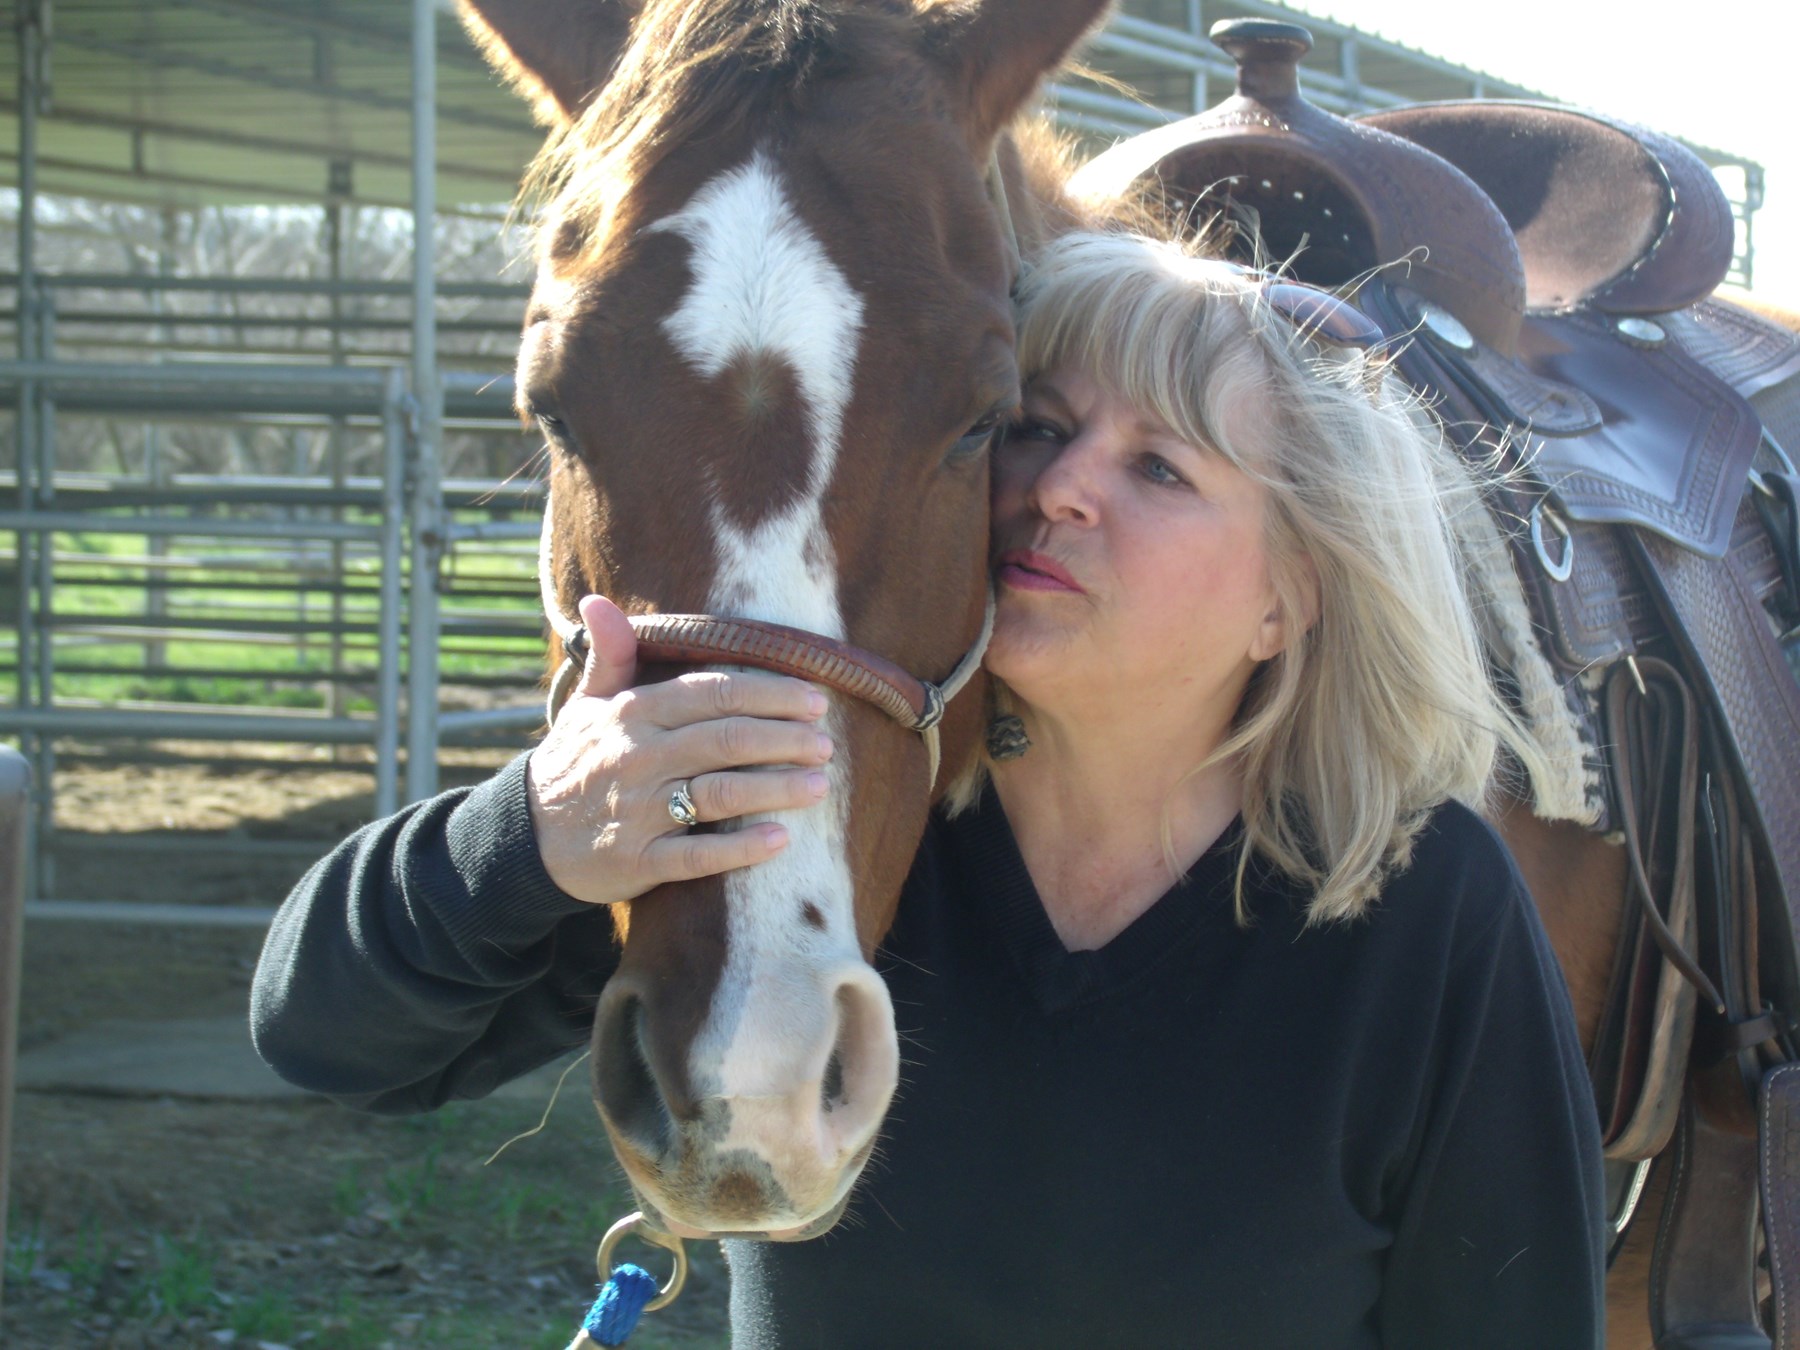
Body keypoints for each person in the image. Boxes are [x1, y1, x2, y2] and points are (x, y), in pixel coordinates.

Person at [252, 231, 1606, 1347]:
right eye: (1039, 427)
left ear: (1287, 598)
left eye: (1158, 466)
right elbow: (322, 1034)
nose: (1063, 486)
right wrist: (537, 828)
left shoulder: (1428, 911)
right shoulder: (819, 818)